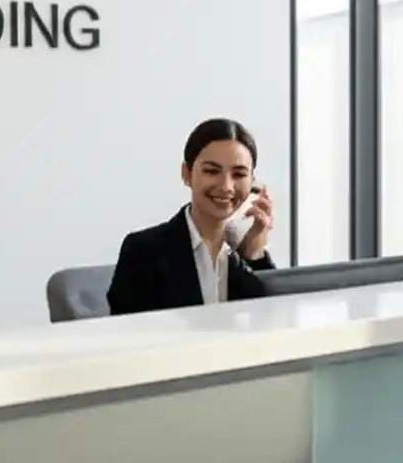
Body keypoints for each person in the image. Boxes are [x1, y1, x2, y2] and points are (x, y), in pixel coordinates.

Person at [107, 118, 276, 315]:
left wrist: (255, 255)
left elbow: (268, 327)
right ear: (186, 174)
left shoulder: (244, 257)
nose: (226, 187)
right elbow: (127, 336)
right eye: (212, 171)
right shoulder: (144, 251)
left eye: (238, 175)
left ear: (252, 182)